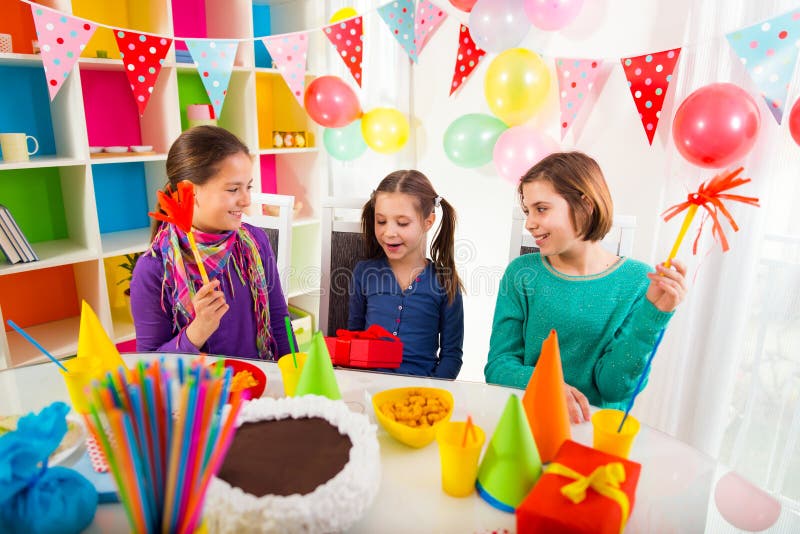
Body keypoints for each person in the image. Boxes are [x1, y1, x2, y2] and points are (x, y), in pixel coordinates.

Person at [485, 152, 687, 423]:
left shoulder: (639, 281)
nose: (530, 223)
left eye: (541, 209)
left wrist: (653, 316)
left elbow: (614, 388)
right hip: (528, 424)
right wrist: (548, 384)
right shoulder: (522, 273)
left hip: (591, 434)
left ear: (585, 205)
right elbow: (499, 366)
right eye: (527, 211)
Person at [131, 126, 293, 360]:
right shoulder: (153, 270)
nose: (246, 200)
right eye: (233, 189)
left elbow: (279, 320)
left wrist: (295, 376)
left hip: (260, 386)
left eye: (248, 186)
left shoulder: (256, 241)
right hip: (200, 393)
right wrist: (196, 332)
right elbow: (148, 364)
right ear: (189, 191)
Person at [348, 170, 464, 378]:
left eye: (402, 223)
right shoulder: (365, 273)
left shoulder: (444, 281)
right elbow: (353, 339)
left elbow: (452, 355)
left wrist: (431, 390)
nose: (389, 232)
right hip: (368, 385)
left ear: (428, 222)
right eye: (381, 221)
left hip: (421, 391)